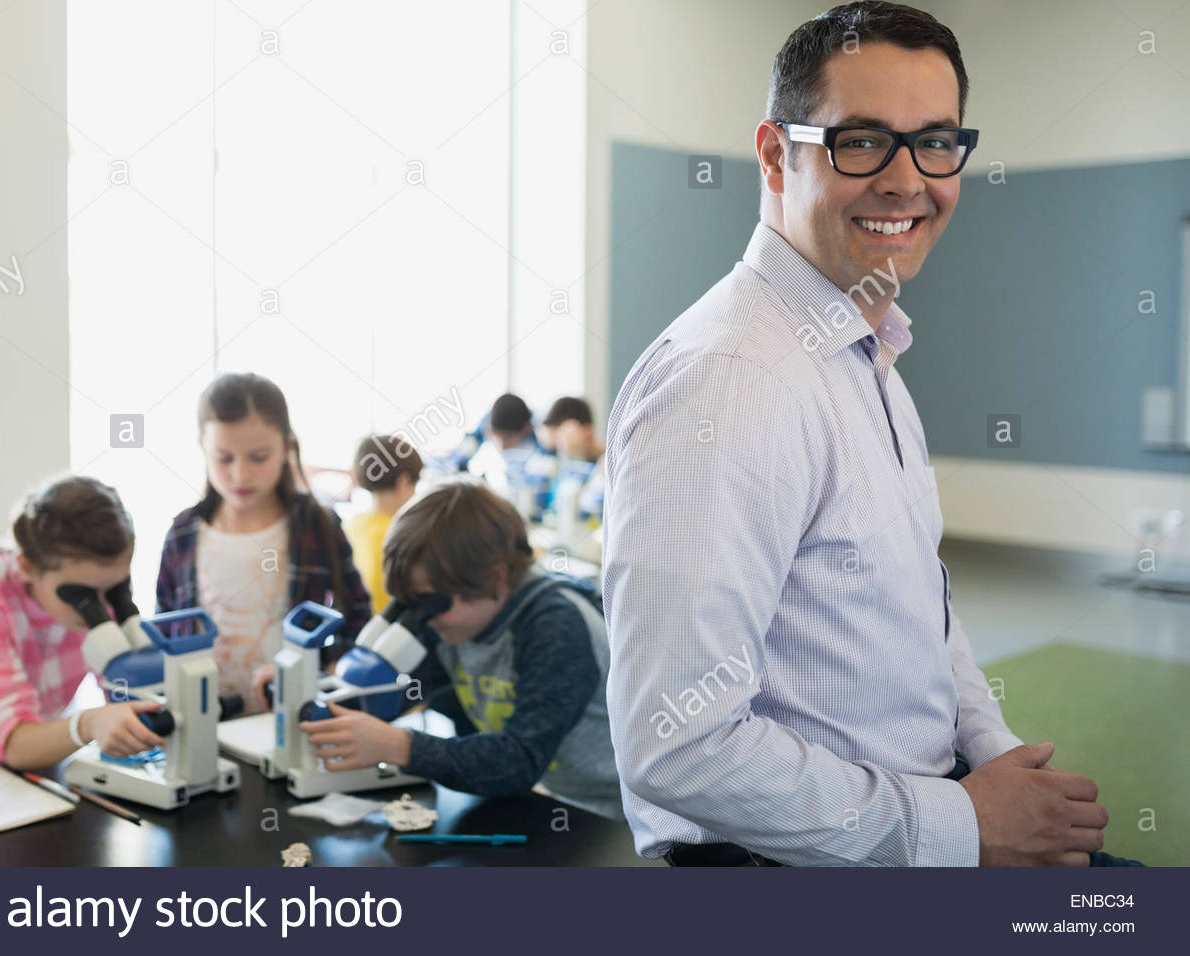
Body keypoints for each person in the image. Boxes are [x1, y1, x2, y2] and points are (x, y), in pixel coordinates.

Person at [603, 2, 1138, 866]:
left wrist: (996, 757)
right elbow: (678, 744)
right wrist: (969, 826)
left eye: (935, 141)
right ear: (777, 157)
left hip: (926, 806)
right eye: (860, 141)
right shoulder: (728, 381)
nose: (906, 180)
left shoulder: (865, 347)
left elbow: (920, 608)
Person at [297, 481, 624, 819]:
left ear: (496, 577)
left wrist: (399, 745)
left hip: (620, 817)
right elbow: (399, 691)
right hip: (557, 799)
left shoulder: (555, 625)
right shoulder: (455, 619)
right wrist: (305, 700)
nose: (423, 617)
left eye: (430, 602)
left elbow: (518, 761)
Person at [0, 476, 165, 772]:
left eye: (115, 589)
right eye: (83, 596)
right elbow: (11, 741)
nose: (102, 607)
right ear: (27, 567)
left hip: (28, 752)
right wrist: (88, 724)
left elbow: (126, 684)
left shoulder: (89, 583)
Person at [156, 372, 371, 714]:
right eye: (224, 458)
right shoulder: (183, 533)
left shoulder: (317, 524)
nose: (241, 475)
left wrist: (312, 667)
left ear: (287, 447)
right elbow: (165, 627)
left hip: (294, 720)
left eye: (258, 457)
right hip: (202, 721)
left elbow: (359, 616)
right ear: (202, 447)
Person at [345, 434, 423, 614]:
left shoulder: (351, 525)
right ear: (403, 481)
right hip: (394, 632)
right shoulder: (405, 535)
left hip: (358, 628)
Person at [542, 396, 606, 523]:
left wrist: (575, 454)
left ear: (587, 430)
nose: (561, 442)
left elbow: (591, 505)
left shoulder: (606, 463)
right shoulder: (563, 465)